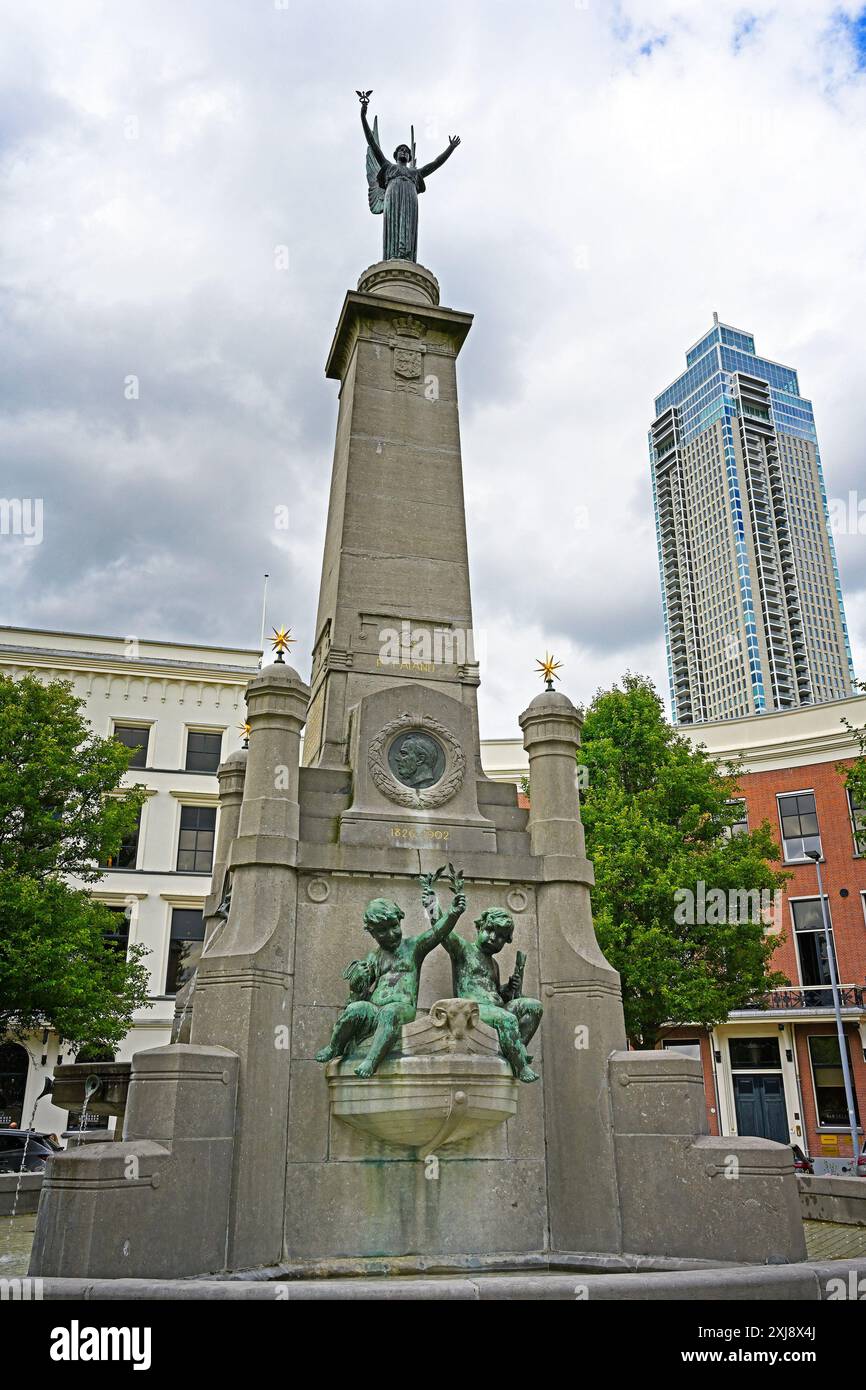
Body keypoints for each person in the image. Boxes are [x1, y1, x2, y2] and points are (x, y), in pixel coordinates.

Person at [316, 888, 466, 1076]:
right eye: (382, 931)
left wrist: (451, 913)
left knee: (389, 1012)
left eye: (394, 926)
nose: (391, 934)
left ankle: (370, 1062)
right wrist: (356, 985)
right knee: (355, 1010)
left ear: (399, 920)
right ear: (372, 934)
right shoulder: (374, 957)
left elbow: (437, 932)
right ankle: (334, 1047)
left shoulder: (413, 947)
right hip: (374, 1010)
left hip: (401, 1009)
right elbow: (358, 996)